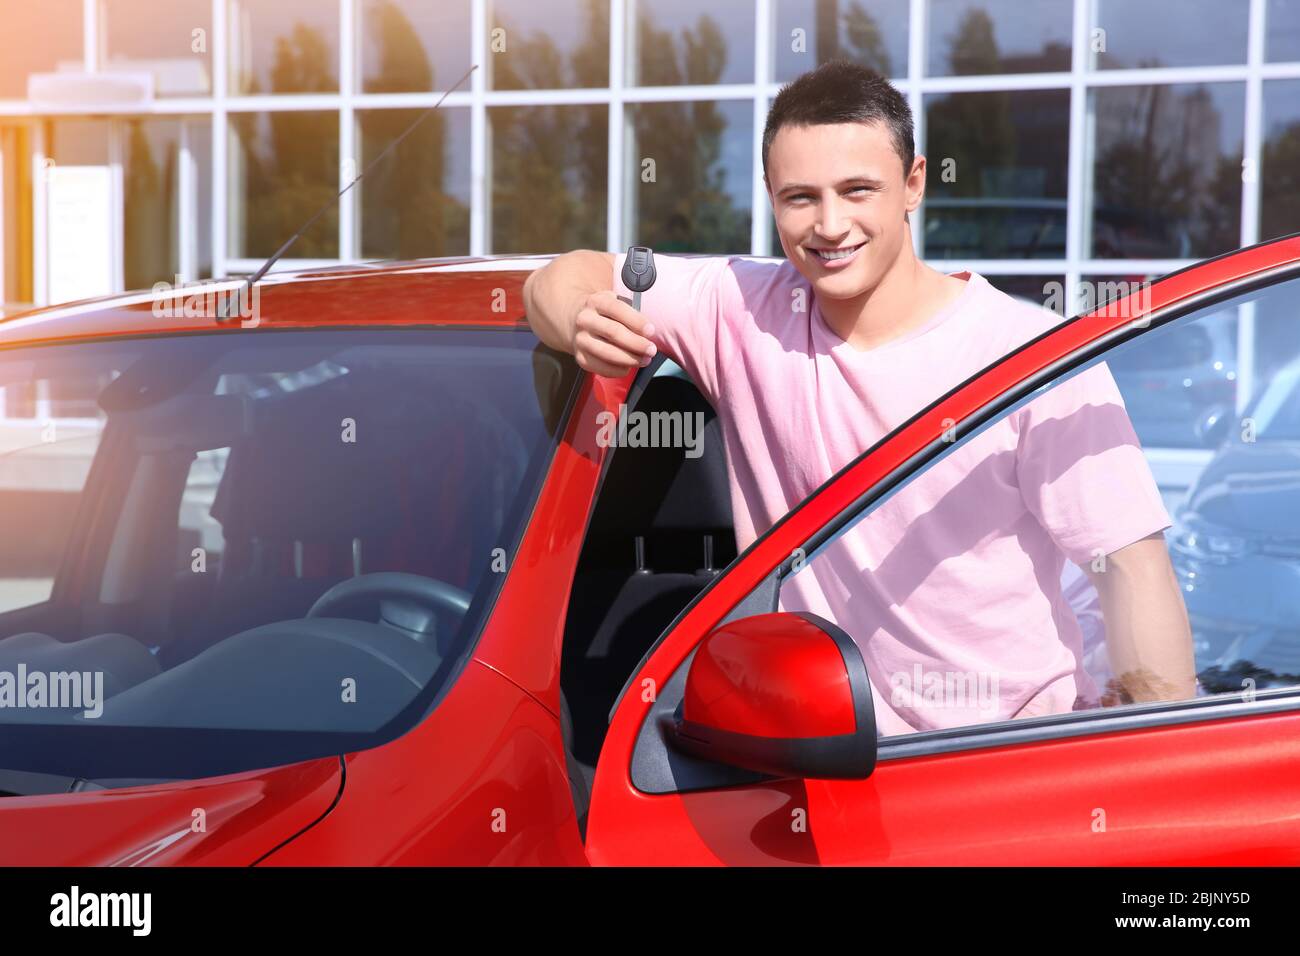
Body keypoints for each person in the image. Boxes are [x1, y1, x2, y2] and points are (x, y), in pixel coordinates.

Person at [523, 59, 1197, 735]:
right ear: (769, 195)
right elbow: (561, 276)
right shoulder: (740, 309)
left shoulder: (1029, 356)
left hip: (1004, 759)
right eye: (801, 197)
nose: (830, 224)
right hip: (814, 758)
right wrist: (578, 317)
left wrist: (1160, 763)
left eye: (857, 190)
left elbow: (1132, 571)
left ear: (913, 184)